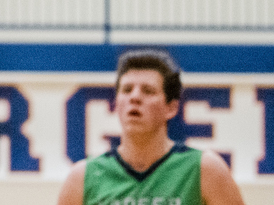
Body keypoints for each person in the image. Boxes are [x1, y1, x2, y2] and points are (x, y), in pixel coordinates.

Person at [57, 49, 246, 205]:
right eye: (127, 90)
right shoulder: (82, 177)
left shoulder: (205, 169)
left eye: (148, 91)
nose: (135, 97)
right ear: (116, 103)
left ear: (171, 108)